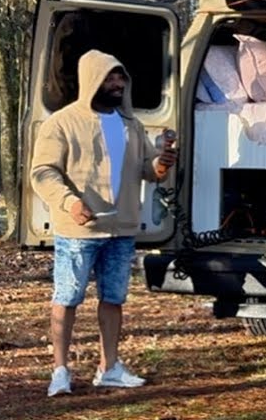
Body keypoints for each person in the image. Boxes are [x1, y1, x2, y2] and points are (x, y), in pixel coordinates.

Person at [29, 49, 177, 397]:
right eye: (110, 77)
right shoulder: (62, 123)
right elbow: (42, 172)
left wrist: (160, 165)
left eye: (120, 77)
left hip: (122, 229)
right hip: (78, 230)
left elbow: (145, 171)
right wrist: (69, 202)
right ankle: (60, 371)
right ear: (91, 79)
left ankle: (109, 368)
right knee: (67, 298)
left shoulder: (130, 125)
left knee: (113, 299)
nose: (117, 83)